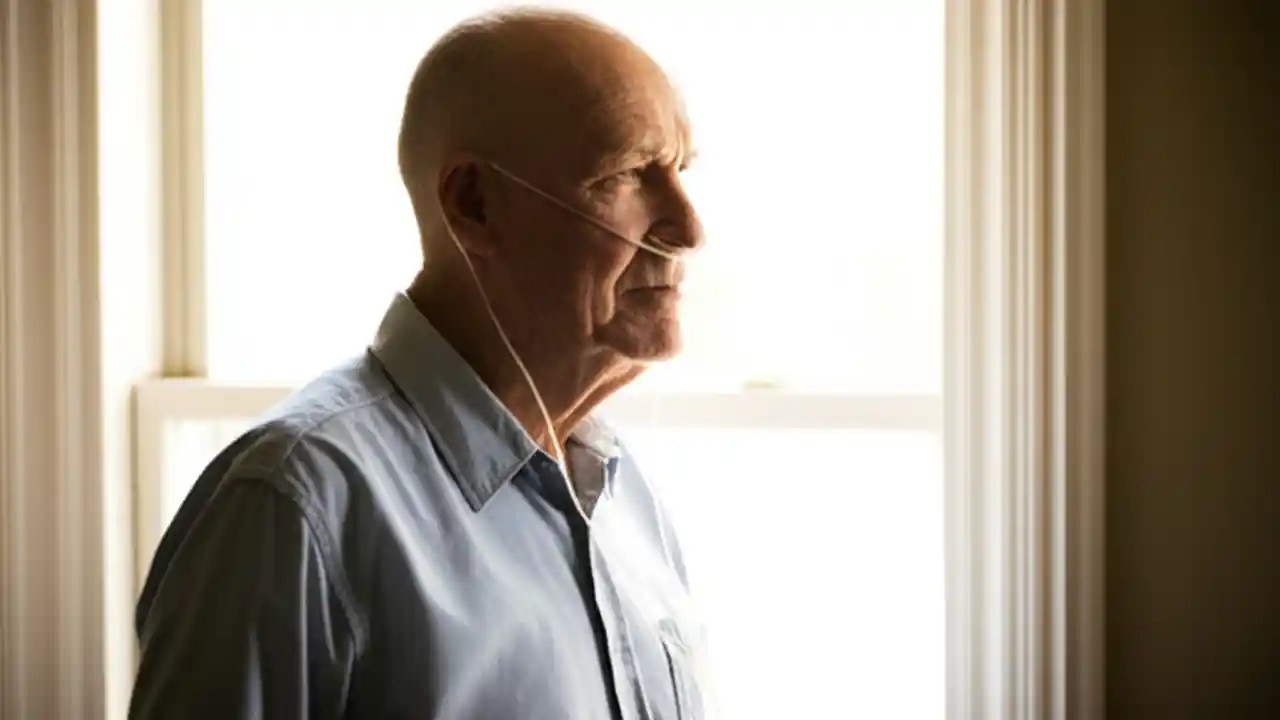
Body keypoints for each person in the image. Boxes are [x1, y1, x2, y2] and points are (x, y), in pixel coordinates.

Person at [129, 7, 708, 719]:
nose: (689, 227)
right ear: (473, 204)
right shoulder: (294, 507)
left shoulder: (624, 495)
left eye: (680, 171)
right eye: (627, 173)